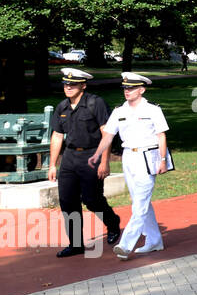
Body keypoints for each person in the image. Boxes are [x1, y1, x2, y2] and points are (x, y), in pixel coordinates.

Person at [92, 73, 169, 260]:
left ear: (141, 90)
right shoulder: (119, 111)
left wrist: (163, 160)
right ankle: (154, 240)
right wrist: (97, 154)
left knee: (140, 202)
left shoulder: (153, 110)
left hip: (147, 156)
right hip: (128, 157)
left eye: (131, 88)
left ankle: (125, 245)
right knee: (140, 201)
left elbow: (161, 136)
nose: (127, 91)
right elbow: (108, 135)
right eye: (125, 88)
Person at [47, 69, 122, 258]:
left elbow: (107, 133)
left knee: (91, 199)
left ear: (83, 85)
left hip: (92, 156)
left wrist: (105, 162)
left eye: (73, 84)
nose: (68, 87)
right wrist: (51, 165)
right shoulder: (62, 107)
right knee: (67, 202)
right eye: (65, 84)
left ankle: (112, 222)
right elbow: (57, 136)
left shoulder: (95, 103)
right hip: (70, 158)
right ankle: (76, 244)